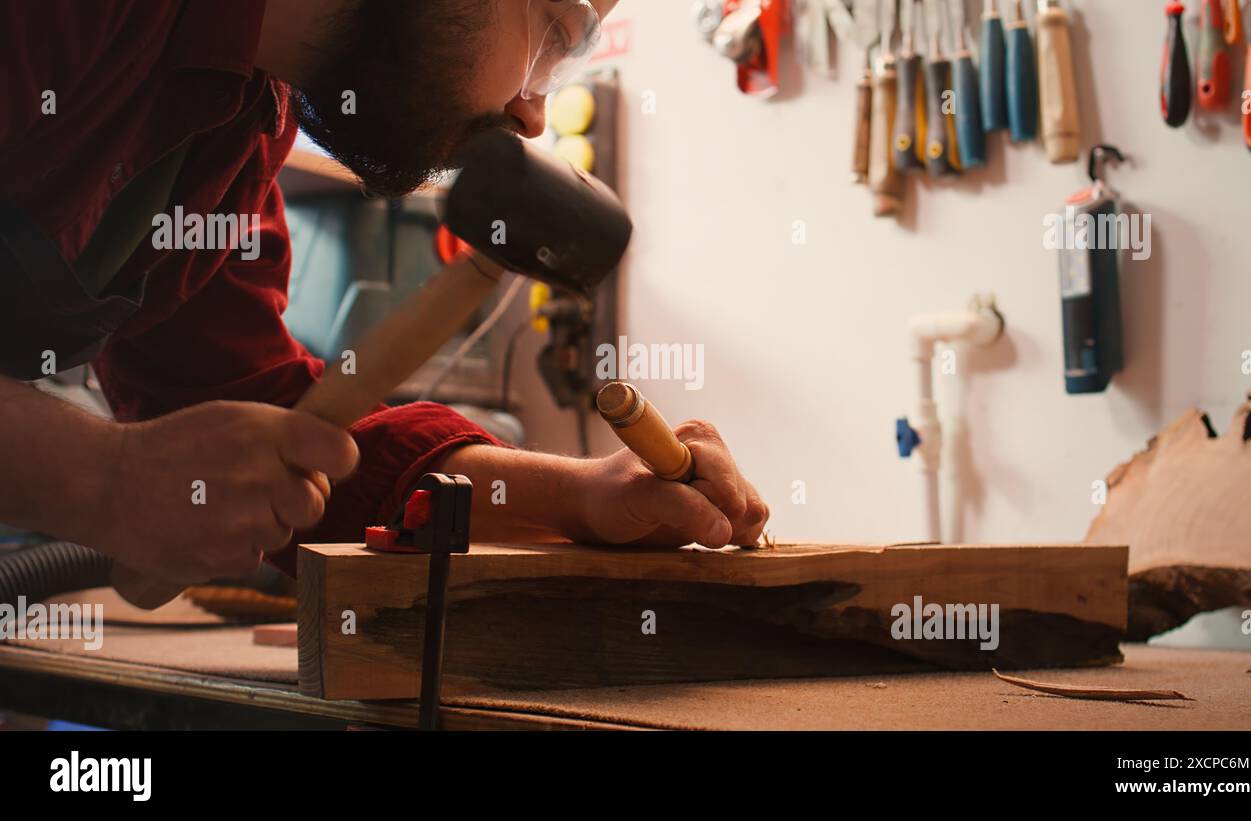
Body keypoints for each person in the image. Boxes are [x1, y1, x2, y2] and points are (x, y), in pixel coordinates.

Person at [0, 0, 769, 586]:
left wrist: (574, 498)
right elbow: (143, 470)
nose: (534, 115)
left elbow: (263, 421)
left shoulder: (238, 128)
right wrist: (103, 479)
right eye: (554, 39)